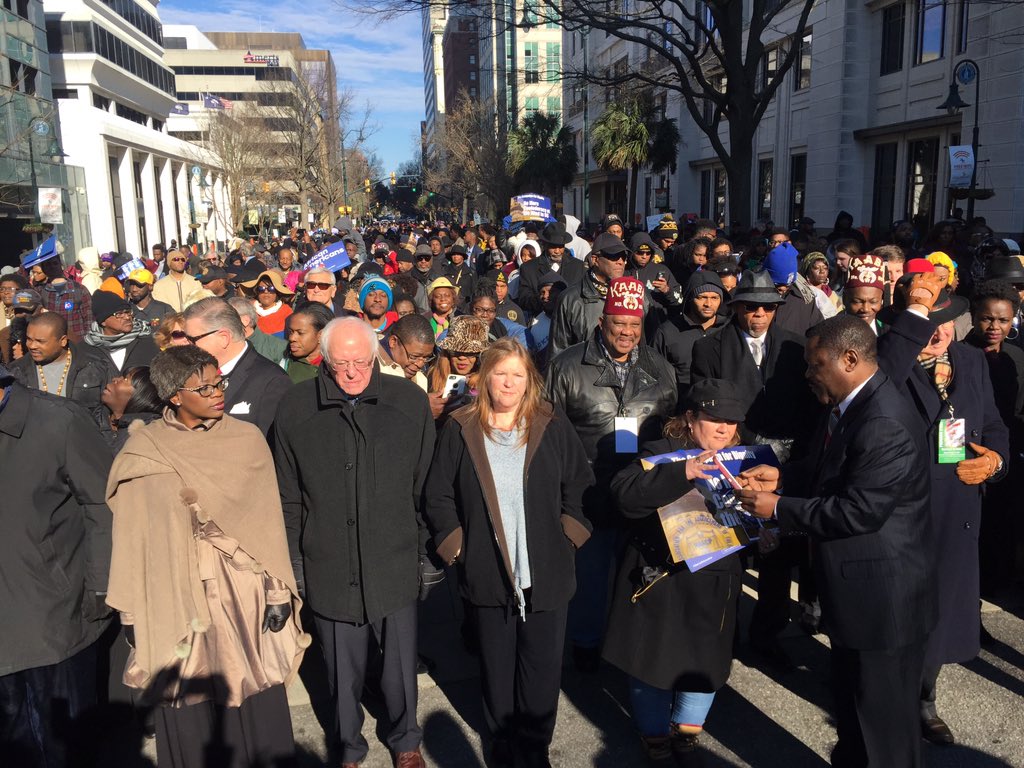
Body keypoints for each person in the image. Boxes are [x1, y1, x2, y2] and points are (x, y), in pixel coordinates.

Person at [736, 314, 936, 768]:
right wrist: (783, 477)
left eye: (815, 364)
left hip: (885, 605)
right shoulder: (852, 406)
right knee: (854, 718)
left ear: (849, 358)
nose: (808, 374)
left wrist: (777, 507)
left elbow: (858, 509)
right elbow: (832, 470)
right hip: (858, 598)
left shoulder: (884, 420)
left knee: (884, 733)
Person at [106, 346, 308, 768]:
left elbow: (267, 524)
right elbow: (130, 536)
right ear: (174, 396)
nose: (219, 393)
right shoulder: (143, 452)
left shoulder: (245, 440)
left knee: (254, 694)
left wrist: (275, 594)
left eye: (220, 383)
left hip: (243, 593)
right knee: (185, 697)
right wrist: (129, 612)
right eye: (206, 387)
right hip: (171, 593)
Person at [273, 317, 434, 768]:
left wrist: (427, 551)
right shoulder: (294, 407)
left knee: (401, 664)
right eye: (340, 363)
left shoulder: (409, 401)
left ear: (377, 354)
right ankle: (348, 745)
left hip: (394, 556)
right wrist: (294, 564)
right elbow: (288, 496)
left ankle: (405, 739)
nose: (351, 373)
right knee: (342, 671)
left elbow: (426, 485)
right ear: (323, 359)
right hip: (327, 559)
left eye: (361, 362)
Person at [424, 338, 593, 768]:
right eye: (501, 373)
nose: (509, 383)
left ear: (530, 380)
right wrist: (457, 547)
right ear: (484, 377)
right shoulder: (461, 427)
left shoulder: (551, 424)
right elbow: (438, 494)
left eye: (518, 375)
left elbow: (579, 485)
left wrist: (568, 536)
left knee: (541, 670)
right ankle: (500, 748)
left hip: (546, 572)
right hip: (487, 571)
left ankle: (535, 750)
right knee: (497, 672)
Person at [876, 273, 1008, 745]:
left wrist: (994, 461)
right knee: (898, 613)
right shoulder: (888, 359)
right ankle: (885, 698)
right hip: (902, 509)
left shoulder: (971, 360)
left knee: (941, 608)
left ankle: (924, 695)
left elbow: (992, 423)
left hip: (956, 504)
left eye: (948, 322)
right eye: (930, 322)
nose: (939, 333)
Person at [608, 379, 746, 765]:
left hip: (717, 581)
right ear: (690, 418)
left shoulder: (744, 459)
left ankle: (687, 731)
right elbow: (624, 494)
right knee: (653, 664)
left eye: (731, 421)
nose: (723, 428)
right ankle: (653, 734)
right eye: (713, 418)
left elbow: (756, 517)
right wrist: (684, 472)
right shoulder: (662, 452)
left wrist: (766, 535)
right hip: (663, 580)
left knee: (705, 662)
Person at [545, 277, 677, 671]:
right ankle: (585, 645)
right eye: (619, 323)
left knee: (636, 574)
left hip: (642, 490)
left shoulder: (661, 369)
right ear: (602, 321)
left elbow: (671, 430)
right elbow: (546, 433)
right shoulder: (566, 366)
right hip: (589, 493)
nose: (627, 332)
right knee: (590, 576)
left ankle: (628, 646)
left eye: (635, 325)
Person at [0, 361, 114, 768]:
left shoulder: (58, 421)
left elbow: (103, 504)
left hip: (50, 617)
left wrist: (101, 588)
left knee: (57, 745)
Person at [966, 280, 1024, 598]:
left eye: (1003, 320)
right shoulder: (959, 354)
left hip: (1009, 459)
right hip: (971, 458)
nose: (995, 327)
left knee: (1001, 531)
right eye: (988, 318)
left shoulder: (1017, 357)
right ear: (975, 316)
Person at [182, 297, 292, 437]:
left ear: (224, 338)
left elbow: (269, 446)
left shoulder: (273, 382)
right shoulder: (189, 373)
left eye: (192, 339)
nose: (186, 345)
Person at [549, 233, 635, 358]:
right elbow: (557, 352)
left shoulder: (634, 295)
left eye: (623, 257)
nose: (620, 261)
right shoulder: (570, 299)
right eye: (614, 256)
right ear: (595, 260)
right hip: (582, 373)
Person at [652, 271, 728, 401]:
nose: (708, 304)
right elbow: (653, 375)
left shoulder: (730, 329)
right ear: (690, 298)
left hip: (723, 410)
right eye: (702, 297)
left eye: (714, 298)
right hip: (679, 409)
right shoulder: (668, 331)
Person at [22, 237, 93, 342]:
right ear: (43, 268)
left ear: (61, 264)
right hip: (51, 344)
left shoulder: (79, 290)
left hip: (76, 344)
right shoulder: (40, 291)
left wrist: (86, 344)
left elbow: (89, 321)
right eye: (47, 264)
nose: (51, 267)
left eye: (54, 263)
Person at [429, 315, 490, 421]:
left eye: (470, 353)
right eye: (455, 351)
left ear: (481, 355)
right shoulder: (430, 376)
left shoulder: (490, 382)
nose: (462, 357)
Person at [518, 222, 586, 317]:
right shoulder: (528, 268)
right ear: (545, 244)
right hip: (540, 320)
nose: (557, 251)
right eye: (553, 246)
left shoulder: (578, 266)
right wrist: (543, 300)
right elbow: (523, 298)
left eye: (560, 246)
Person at [84, 290, 159, 373]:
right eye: (119, 314)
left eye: (128, 312)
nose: (127, 317)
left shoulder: (146, 341)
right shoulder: (88, 348)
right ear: (103, 321)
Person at [763, 242, 824, 335]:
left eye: (788, 284)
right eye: (777, 284)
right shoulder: (752, 297)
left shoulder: (805, 299)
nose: (783, 288)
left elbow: (818, 333)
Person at [282, 302, 334, 384]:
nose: (292, 338)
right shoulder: (283, 364)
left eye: (300, 333)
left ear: (321, 335)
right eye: (291, 332)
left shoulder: (336, 367)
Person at [379, 313, 433, 391]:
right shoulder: (370, 366)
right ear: (393, 342)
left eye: (426, 357)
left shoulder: (421, 381)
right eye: (414, 357)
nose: (420, 364)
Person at [843, 254, 887, 333]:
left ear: (882, 300)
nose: (866, 309)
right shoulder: (830, 333)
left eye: (873, 302)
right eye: (858, 301)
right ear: (844, 299)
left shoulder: (888, 332)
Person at [246, 270, 294, 339]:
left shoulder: (287, 313)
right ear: (257, 291)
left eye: (271, 288)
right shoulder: (249, 311)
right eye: (261, 288)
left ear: (278, 292)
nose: (266, 291)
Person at [151, 247, 201, 312]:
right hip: (171, 320)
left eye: (183, 259)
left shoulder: (195, 281)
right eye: (176, 259)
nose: (180, 261)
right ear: (169, 263)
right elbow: (160, 309)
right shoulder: (159, 285)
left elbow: (200, 303)